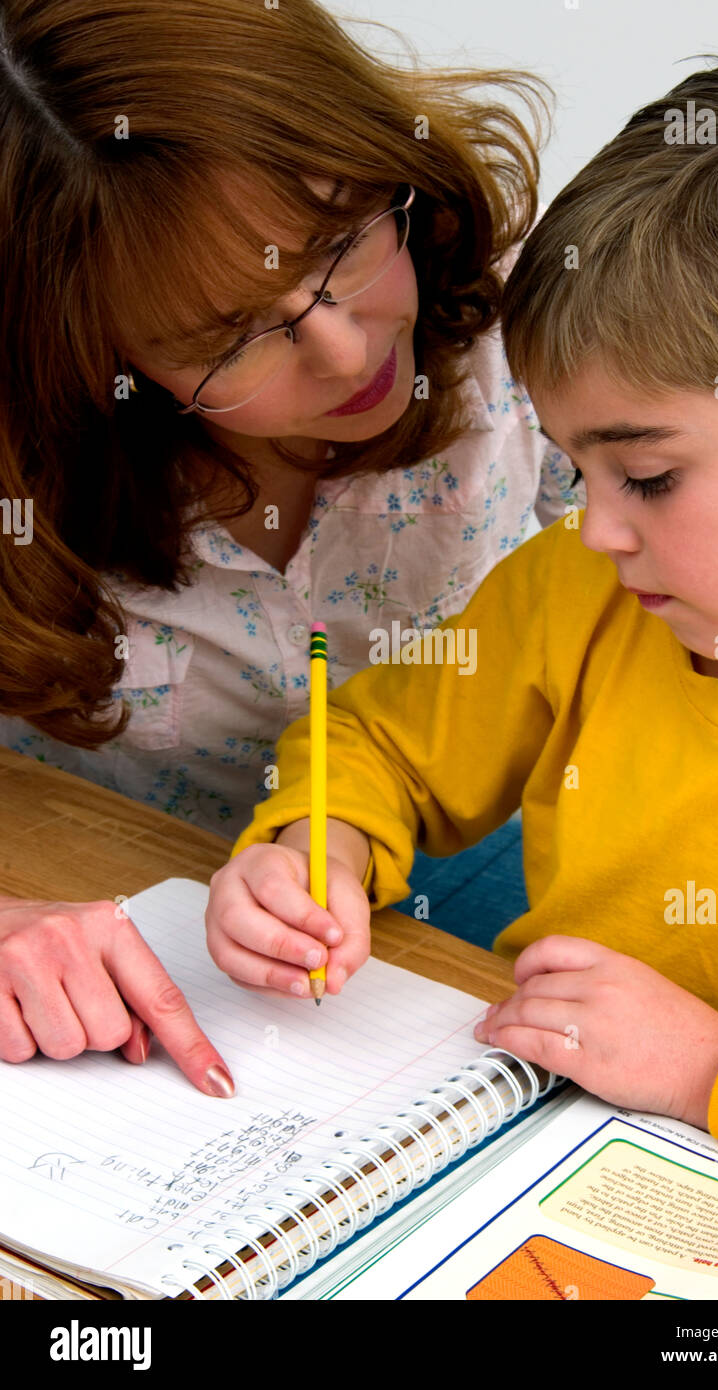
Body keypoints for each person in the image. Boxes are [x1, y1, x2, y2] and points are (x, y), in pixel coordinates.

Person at [209, 53, 718, 1182]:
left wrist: (713, 1071)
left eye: (646, 477)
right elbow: (376, 743)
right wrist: (323, 841)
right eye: (573, 468)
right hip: (526, 1159)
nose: (595, 527)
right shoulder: (580, 587)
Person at [0, 0, 578, 1091]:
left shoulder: (546, 335)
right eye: (226, 337)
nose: (347, 343)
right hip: (125, 995)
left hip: (479, 943)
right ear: (86, 352)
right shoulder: (32, 476)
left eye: (341, 240)